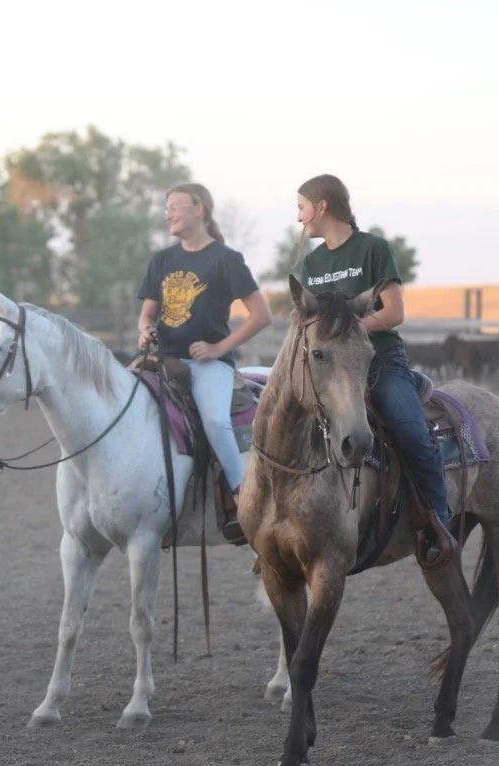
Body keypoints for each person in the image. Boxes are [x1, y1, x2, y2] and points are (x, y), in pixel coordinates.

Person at [295, 173, 455, 566]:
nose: (299, 219)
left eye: (301, 208)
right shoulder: (310, 265)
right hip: (330, 368)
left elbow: (394, 312)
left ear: (322, 206)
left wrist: (345, 332)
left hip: (380, 361)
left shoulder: (372, 249)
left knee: (412, 434)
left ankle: (439, 523)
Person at [137, 182, 272, 543]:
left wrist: (219, 348)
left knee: (214, 420)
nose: (168, 214)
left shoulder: (226, 260)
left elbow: (261, 315)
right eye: (165, 208)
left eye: (175, 206)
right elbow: (147, 313)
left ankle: (242, 494)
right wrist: (145, 330)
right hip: (162, 360)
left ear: (199, 209)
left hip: (208, 365)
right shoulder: (162, 260)